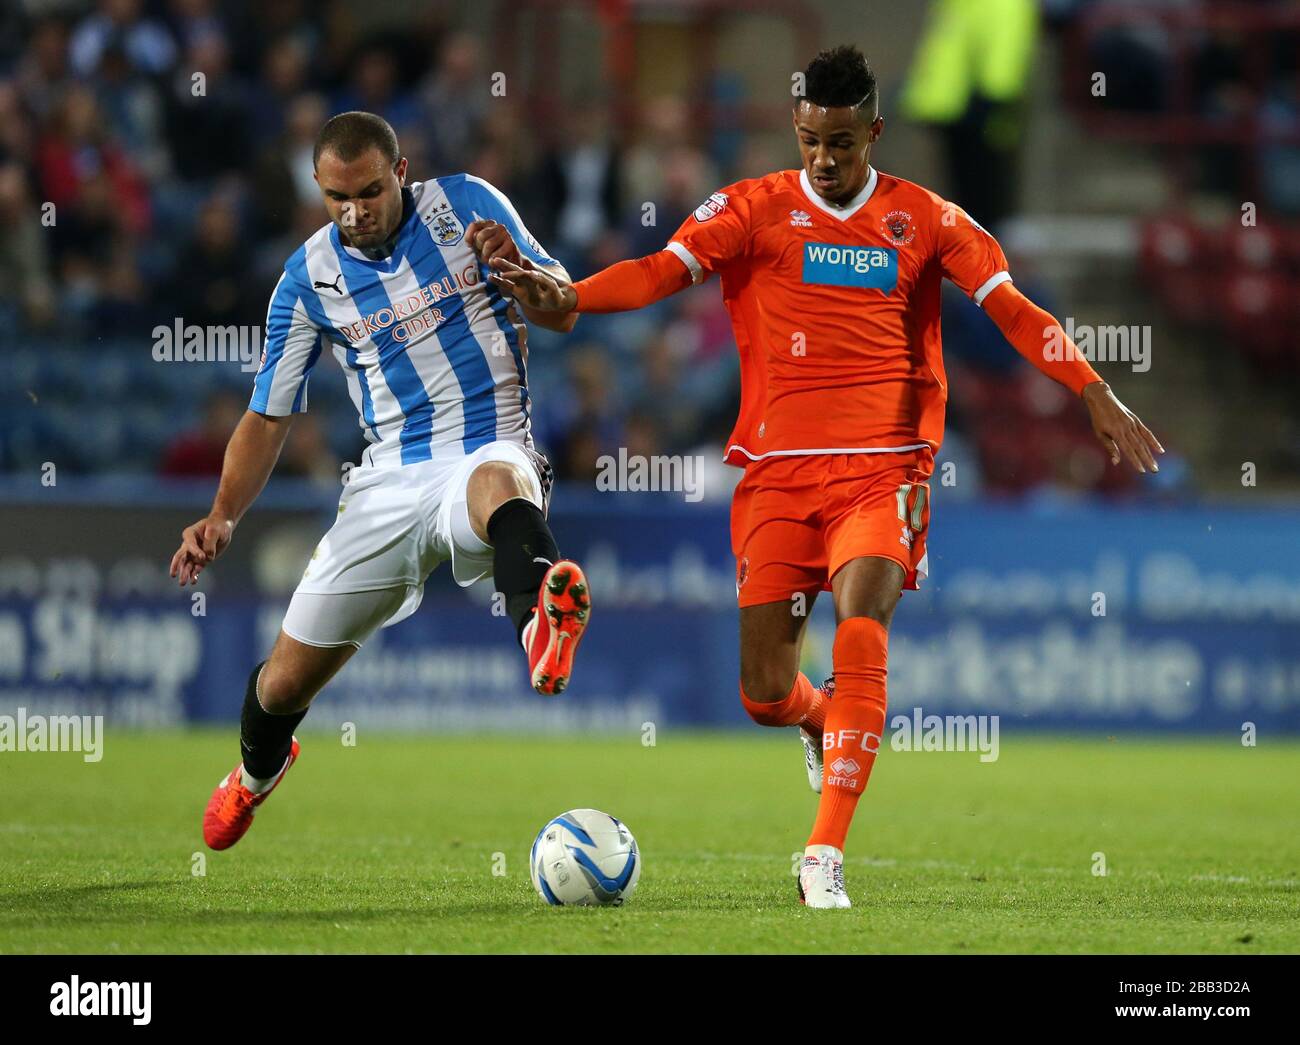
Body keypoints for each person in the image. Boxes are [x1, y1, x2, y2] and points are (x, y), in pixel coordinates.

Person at [487, 46, 1163, 909]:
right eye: (811, 140)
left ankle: (823, 854)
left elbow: (1012, 308)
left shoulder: (925, 220)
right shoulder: (752, 209)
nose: (825, 159)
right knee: (765, 690)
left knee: (863, 619)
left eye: (842, 142)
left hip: (885, 467)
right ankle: (817, 720)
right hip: (776, 474)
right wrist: (573, 296)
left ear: (873, 131)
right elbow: (662, 270)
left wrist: (1091, 388)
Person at [169, 111, 592, 852]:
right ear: (318, 190)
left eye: (369, 190)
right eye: (337, 198)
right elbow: (268, 416)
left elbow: (565, 308)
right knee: (282, 685)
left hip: (488, 443)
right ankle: (254, 774)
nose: (355, 211)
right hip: (387, 479)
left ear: (401, 172)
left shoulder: (468, 205)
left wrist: (522, 280)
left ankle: (539, 624)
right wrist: (223, 514)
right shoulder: (306, 280)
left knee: (500, 484)